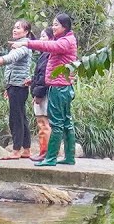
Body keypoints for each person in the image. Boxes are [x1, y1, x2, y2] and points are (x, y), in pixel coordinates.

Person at [21, 12, 77, 166]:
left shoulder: (65, 41)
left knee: (58, 123)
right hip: (63, 87)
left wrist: (27, 43)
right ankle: (69, 157)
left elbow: (49, 45)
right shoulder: (66, 40)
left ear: (64, 27)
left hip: (59, 88)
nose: (53, 27)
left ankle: (51, 158)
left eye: (56, 24)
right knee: (66, 122)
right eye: (53, 24)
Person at [0, 19, 34, 160]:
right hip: (14, 86)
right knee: (21, 117)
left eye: (18, 28)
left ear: (26, 32)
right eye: (14, 27)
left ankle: (16, 150)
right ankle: (26, 149)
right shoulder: (18, 46)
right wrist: (7, 86)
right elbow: (12, 67)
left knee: (16, 119)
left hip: (18, 87)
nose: (14, 30)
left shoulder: (24, 47)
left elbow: (11, 59)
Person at [29, 28, 51, 160]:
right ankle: (45, 152)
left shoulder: (48, 55)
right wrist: (32, 82)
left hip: (44, 94)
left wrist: (38, 94)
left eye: (44, 36)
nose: (40, 39)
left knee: (43, 123)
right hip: (42, 92)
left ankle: (45, 153)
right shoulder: (44, 55)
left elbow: (44, 77)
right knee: (42, 123)